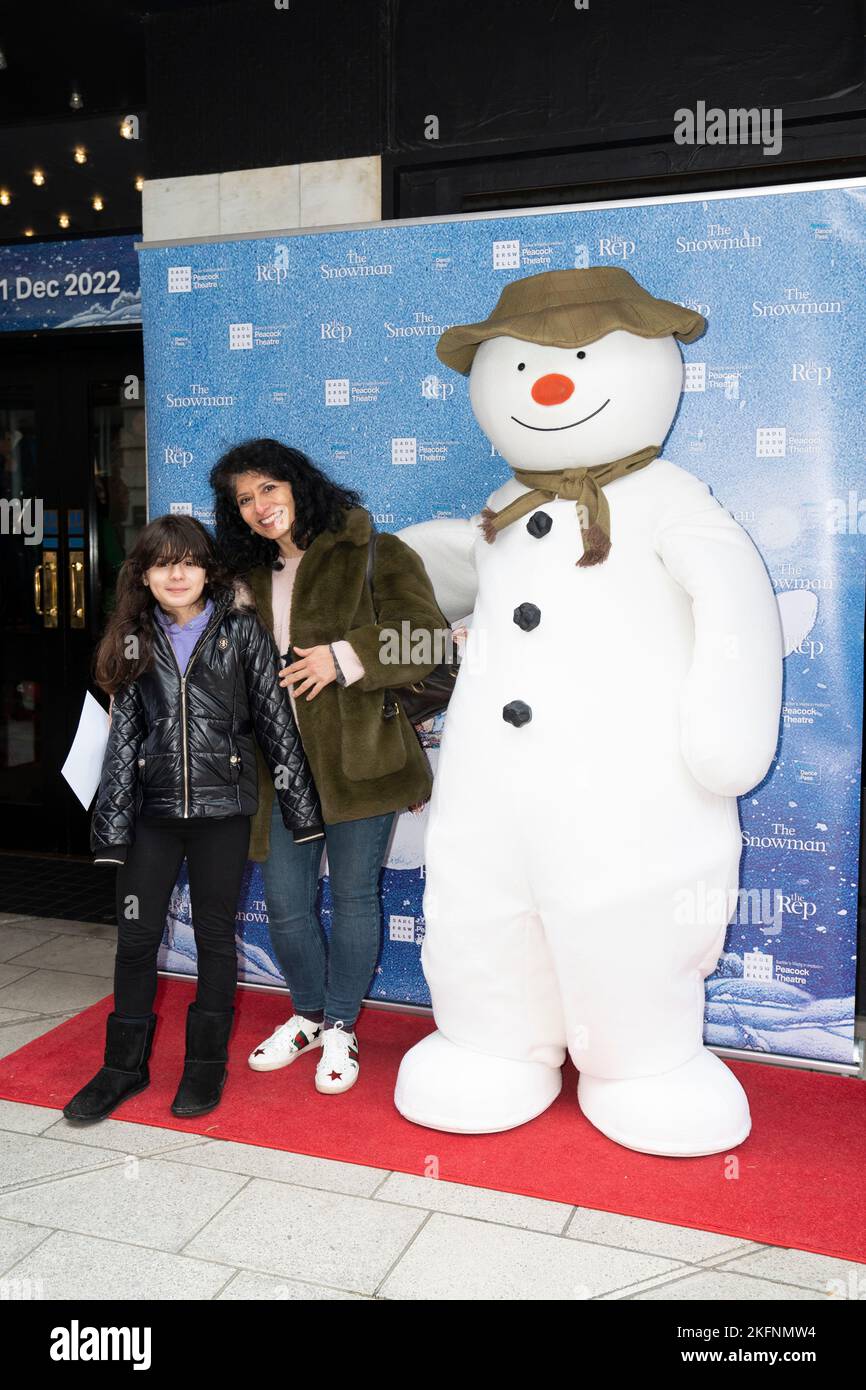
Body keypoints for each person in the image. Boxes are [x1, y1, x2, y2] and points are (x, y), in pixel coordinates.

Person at [63, 514, 323, 1124]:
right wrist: (113, 828)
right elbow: (123, 736)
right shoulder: (133, 638)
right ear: (144, 575)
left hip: (221, 814)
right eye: (161, 563)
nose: (176, 574)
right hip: (152, 819)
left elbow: (275, 725)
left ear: (208, 570)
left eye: (188, 561)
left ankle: (205, 1067)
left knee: (213, 939)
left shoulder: (242, 632)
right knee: (134, 938)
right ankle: (122, 1069)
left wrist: (302, 813)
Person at [210, 438, 448, 1095]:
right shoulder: (246, 574)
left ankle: (341, 1025)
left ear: (296, 482)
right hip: (276, 767)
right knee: (285, 904)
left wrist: (341, 656)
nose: (260, 506)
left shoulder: (373, 549)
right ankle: (307, 1015)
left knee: (351, 898)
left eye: (268, 489)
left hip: (359, 761)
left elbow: (424, 639)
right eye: (244, 499)